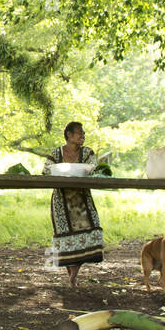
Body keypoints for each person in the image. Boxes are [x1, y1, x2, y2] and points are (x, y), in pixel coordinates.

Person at [43, 121, 104, 286]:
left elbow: (96, 169)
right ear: (69, 135)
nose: (82, 136)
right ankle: (72, 276)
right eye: (79, 132)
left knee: (90, 229)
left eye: (83, 133)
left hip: (82, 199)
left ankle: (73, 275)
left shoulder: (87, 152)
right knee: (65, 235)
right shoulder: (56, 153)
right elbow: (46, 170)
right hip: (61, 200)